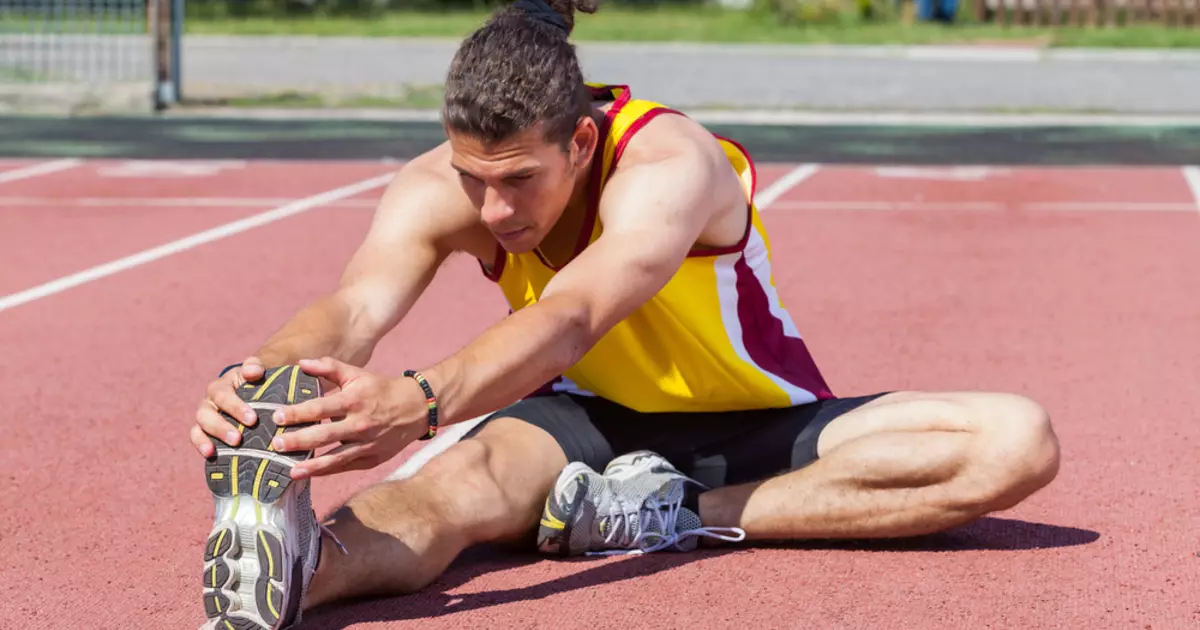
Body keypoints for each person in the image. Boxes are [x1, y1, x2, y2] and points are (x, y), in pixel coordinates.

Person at [191, 1, 1061, 628]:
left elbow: (575, 311)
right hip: (581, 421)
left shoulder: (670, 162)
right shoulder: (444, 182)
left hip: (761, 422)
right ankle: (301, 571)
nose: (492, 211)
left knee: (1015, 441)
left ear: (578, 142)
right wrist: (263, 380)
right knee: (444, 492)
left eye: (518, 181)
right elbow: (353, 305)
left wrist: (420, 401)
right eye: (472, 179)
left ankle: (669, 510)